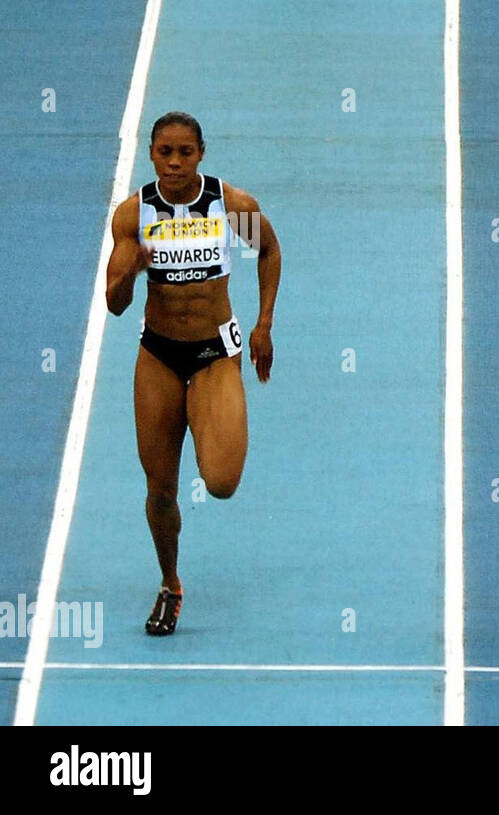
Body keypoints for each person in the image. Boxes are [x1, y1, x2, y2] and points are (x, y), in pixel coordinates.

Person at [105, 111, 281, 634]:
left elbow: (268, 250)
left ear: (202, 152)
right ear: (151, 154)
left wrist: (263, 323)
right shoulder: (134, 215)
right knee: (160, 488)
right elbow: (114, 305)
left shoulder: (231, 207)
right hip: (158, 356)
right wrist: (132, 271)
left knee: (222, 483)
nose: (175, 161)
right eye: (165, 152)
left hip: (214, 356)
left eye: (185, 152)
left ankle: (215, 431)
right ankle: (170, 583)